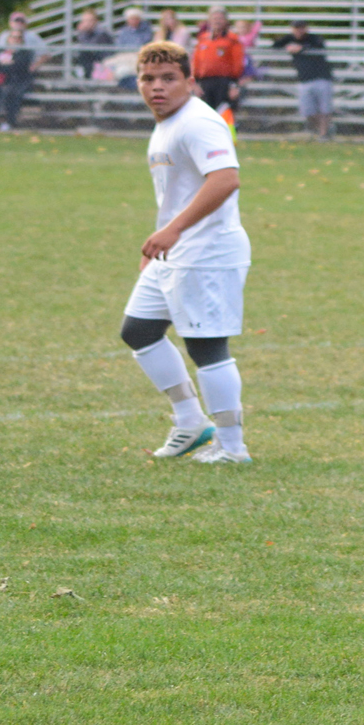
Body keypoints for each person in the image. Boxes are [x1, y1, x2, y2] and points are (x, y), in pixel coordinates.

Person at [119, 41, 253, 465]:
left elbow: (225, 180)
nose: (157, 87)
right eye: (148, 79)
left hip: (207, 252)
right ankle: (191, 421)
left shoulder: (198, 122)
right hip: (176, 251)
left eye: (168, 78)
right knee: (138, 331)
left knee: (207, 347)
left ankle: (232, 447)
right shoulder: (167, 123)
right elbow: (180, 192)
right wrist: (162, 238)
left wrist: (172, 230)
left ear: (190, 82)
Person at [274, 19, 334, 139]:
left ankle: (324, 135)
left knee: (324, 109)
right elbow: (275, 46)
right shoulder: (289, 39)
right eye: (296, 28)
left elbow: (318, 45)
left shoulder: (313, 38)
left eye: (301, 28)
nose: (299, 31)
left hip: (322, 78)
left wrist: (301, 48)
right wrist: (287, 46)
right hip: (304, 80)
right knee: (308, 112)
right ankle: (326, 129)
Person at [191, 7, 247, 115]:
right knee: (205, 115)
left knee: (223, 115)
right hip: (205, 83)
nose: (217, 21)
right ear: (209, 20)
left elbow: (238, 65)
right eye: (214, 18)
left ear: (226, 21)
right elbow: (196, 63)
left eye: (220, 18)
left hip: (224, 83)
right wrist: (195, 84)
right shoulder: (203, 39)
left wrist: (234, 85)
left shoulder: (232, 39)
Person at [0, 30, 37, 130]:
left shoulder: (26, 53)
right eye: (13, 37)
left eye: (19, 38)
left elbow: (20, 67)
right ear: (8, 39)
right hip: (0, 80)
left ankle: (8, 122)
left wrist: (6, 65)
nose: (16, 40)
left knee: (11, 93)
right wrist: (10, 64)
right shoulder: (0, 52)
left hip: (18, 81)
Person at [112, 8, 155, 90]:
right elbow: (119, 46)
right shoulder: (123, 31)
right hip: (125, 56)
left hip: (139, 56)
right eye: (131, 19)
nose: (133, 21)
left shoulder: (146, 31)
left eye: (135, 18)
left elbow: (146, 44)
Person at [71, 9, 114, 78]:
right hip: (91, 61)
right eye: (85, 21)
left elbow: (91, 47)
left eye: (90, 20)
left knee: (84, 55)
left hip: (103, 61)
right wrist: (80, 33)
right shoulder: (85, 33)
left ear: (96, 21)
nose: (87, 23)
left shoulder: (102, 33)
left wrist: (81, 32)